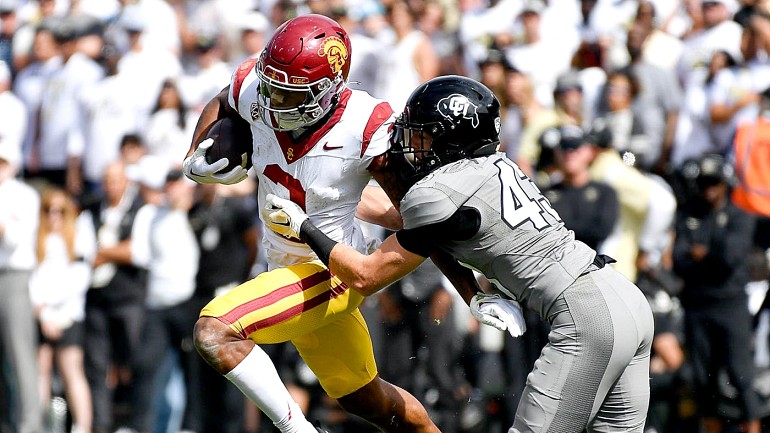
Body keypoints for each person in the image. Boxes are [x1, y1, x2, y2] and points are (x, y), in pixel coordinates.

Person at [264, 75, 655, 433]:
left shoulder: (435, 193)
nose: (411, 143)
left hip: (585, 315)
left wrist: (304, 225)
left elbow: (366, 275)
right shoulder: (495, 165)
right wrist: (472, 293)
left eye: (422, 135)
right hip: (624, 297)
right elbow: (421, 227)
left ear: (450, 140)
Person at [182, 14, 473, 433]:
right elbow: (226, 99)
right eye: (270, 87)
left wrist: (469, 291)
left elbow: (417, 216)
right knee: (370, 401)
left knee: (215, 332)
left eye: (288, 94)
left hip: (331, 271)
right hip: (285, 272)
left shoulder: (365, 124)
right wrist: (195, 151)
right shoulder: (256, 88)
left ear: (328, 90)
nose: (272, 102)